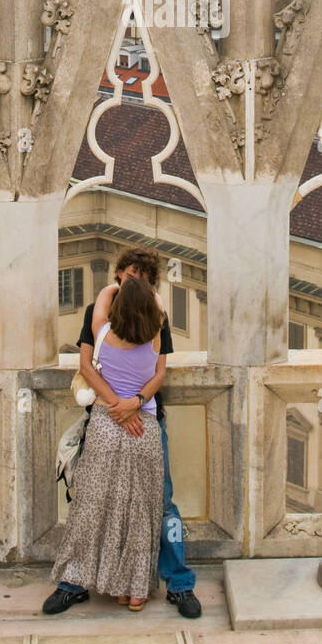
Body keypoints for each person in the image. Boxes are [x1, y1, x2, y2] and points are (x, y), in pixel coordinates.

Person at [43, 249, 203, 619]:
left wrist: (131, 402)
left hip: (134, 415)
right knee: (93, 500)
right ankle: (75, 582)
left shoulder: (150, 318)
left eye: (144, 280)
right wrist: (123, 404)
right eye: (132, 277)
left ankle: (179, 583)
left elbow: (157, 373)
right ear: (118, 275)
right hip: (117, 414)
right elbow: (91, 364)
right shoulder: (106, 317)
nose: (137, 284)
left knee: (160, 504)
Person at [48, 275, 165, 610]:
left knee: (96, 507)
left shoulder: (101, 331)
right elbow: (160, 373)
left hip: (105, 423)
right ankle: (135, 590)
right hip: (143, 427)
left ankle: (104, 581)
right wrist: (133, 404)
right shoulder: (156, 336)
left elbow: (87, 358)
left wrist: (118, 286)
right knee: (141, 511)